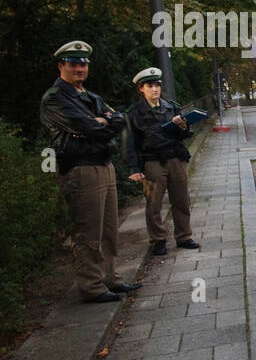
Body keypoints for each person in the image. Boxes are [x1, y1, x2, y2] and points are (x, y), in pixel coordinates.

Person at [38, 41, 141, 303]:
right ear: (61, 65)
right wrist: (101, 122)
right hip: (81, 169)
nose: (80, 68)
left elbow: (119, 120)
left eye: (83, 63)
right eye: (73, 63)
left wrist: (103, 121)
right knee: (88, 231)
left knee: (109, 230)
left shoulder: (90, 96)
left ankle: (110, 279)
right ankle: (92, 286)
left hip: (103, 166)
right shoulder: (55, 98)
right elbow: (89, 127)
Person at [125, 67, 199, 256]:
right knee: (153, 203)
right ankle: (158, 239)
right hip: (151, 162)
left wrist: (184, 126)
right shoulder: (134, 113)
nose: (155, 89)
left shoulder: (171, 106)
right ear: (141, 89)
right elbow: (130, 142)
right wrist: (134, 167)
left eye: (157, 85)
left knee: (181, 199)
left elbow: (185, 134)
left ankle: (184, 236)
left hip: (175, 159)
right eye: (150, 86)